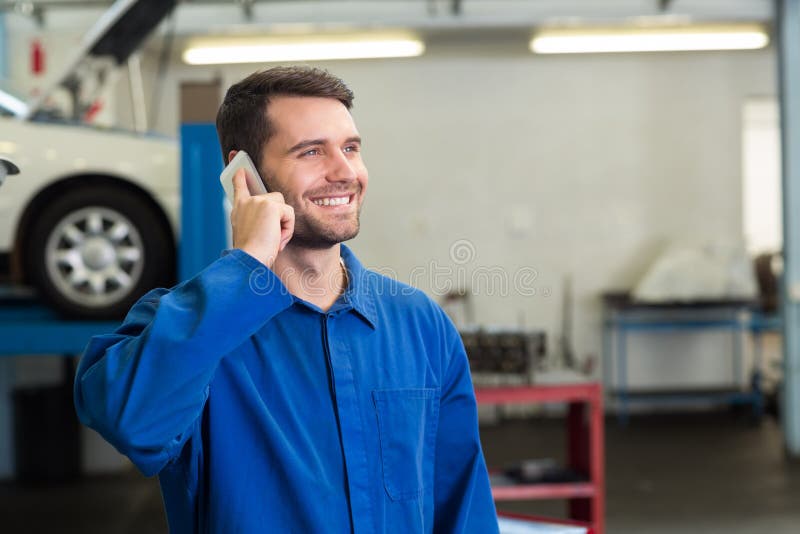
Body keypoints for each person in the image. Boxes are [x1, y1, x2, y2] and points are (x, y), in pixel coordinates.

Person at [74, 66, 499, 533]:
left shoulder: (419, 325)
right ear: (246, 176)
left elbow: (463, 506)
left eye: (351, 148)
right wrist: (246, 265)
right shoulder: (186, 327)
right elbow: (131, 422)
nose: (345, 172)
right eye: (312, 151)